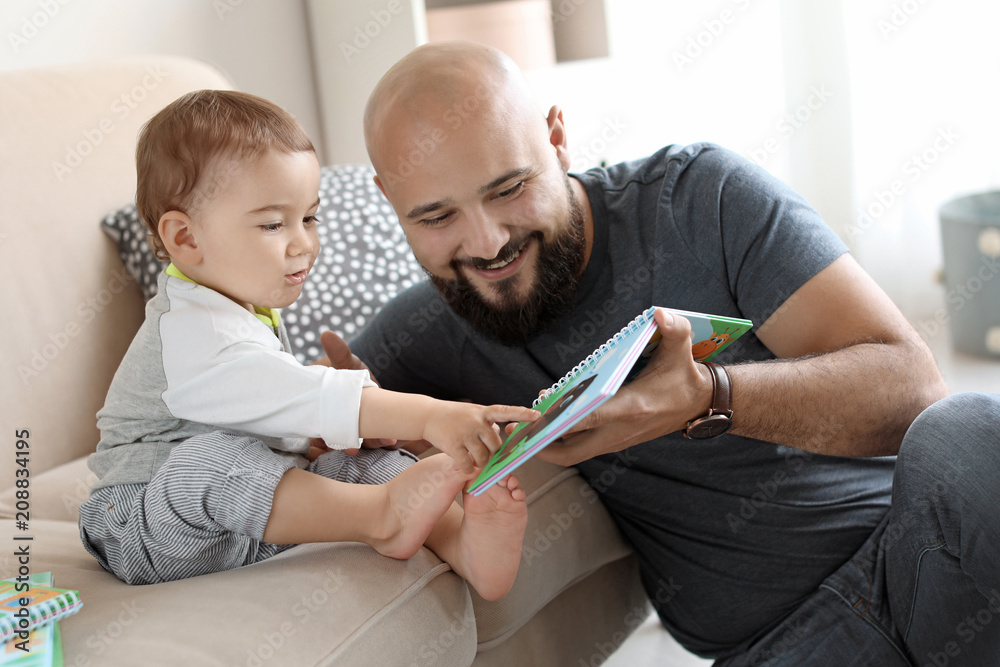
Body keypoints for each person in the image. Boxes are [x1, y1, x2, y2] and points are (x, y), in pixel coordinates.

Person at [318, 41, 1000, 664]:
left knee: (966, 433)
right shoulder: (418, 335)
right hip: (784, 647)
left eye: (508, 189)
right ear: (390, 199)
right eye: (435, 217)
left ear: (556, 138)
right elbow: (296, 427)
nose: (487, 239)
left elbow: (913, 387)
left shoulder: (698, 199)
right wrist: (343, 419)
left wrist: (710, 396)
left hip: (925, 559)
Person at [77, 89, 541, 602]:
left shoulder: (240, 307)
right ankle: (383, 518)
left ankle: (462, 545)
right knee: (207, 461)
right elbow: (298, 397)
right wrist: (430, 415)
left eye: (310, 217)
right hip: (148, 527)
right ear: (185, 239)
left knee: (366, 465)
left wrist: (322, 439)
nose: (304, 243)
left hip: (248, 519)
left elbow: (267, 409)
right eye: (274, 224)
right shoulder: (191, 331)